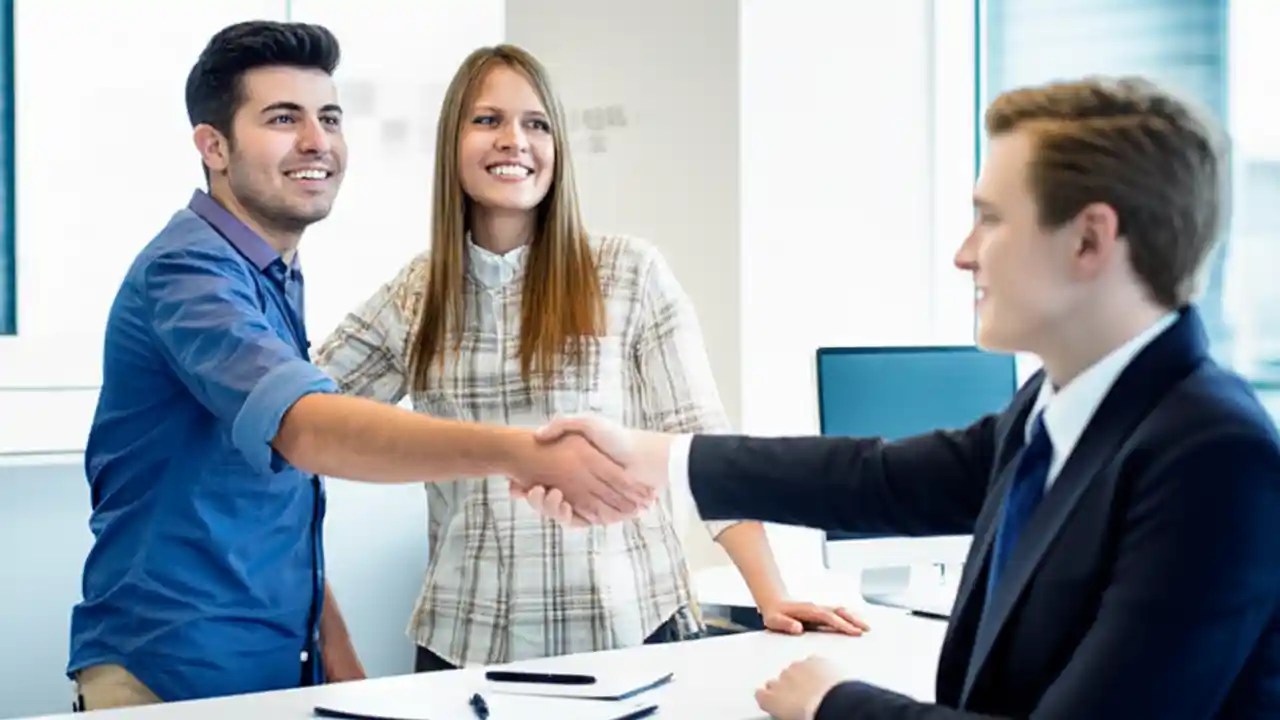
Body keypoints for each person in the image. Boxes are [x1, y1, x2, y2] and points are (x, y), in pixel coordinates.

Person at [523, 76, 1280, 719]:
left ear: (1089, 240)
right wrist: (649, 457)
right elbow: (877, 477)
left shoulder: (1215, 458)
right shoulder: (1055, 411)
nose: (963, 253)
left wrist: (836, 702)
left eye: (990, 218)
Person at [66, 22, 649, 711]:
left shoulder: (271, 275)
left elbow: (282, 498)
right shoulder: (188, 272)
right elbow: (310, 432)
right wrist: (523, 451)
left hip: (278, 669)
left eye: (330, 118)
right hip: (172, 676)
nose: (317, 142)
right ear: (213, 146)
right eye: (283, 119)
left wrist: (336, 655)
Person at [313, 43, 866, 673]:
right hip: (463, 645)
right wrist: (331, 636)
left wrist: (774, 595)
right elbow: (305, 422)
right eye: (487, 120)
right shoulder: (415, 296)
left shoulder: (629, 273)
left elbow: (703, 444)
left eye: (536, 123)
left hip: (631, 633)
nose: (513, 141)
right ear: (452, 144)